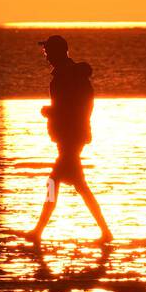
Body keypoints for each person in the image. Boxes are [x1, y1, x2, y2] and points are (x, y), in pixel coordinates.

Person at [25, 35, 112, 243]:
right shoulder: (67, 75)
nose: (46, 57)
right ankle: (105, 231)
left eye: (48, 52)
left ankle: (38, 231)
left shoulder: (68, 77)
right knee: (79, 187)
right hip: (70, 139)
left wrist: (51, 112)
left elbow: (74, 108)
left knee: (54, 184)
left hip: (71, 140)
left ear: (58, 52)